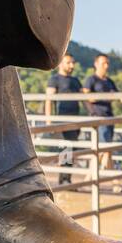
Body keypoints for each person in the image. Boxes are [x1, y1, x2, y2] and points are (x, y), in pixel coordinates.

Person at [83, 54, 122, 187]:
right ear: (96, 64)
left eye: (107, 63)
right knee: (104, 150)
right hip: (98, 118)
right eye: (103, 63)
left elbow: (118, 95)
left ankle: (112, 183)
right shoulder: (91, 80)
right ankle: (110, 182)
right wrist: (107, 97)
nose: (106, 66)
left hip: (109, 117)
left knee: (106, 150)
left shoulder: (109, 81)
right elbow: (87, 96)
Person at [46, 52, 83, 185]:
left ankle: (67, 180)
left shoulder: (76, 81)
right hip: (61, 120)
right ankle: (64, 180)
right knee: (65, 150)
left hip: (75, 121)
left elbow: (84, 99)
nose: (72, 65)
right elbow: (49, 101)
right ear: (61, 63)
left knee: (71, 150)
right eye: (69, 62)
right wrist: (49, 121)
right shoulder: (54, 79)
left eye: (73, 62)